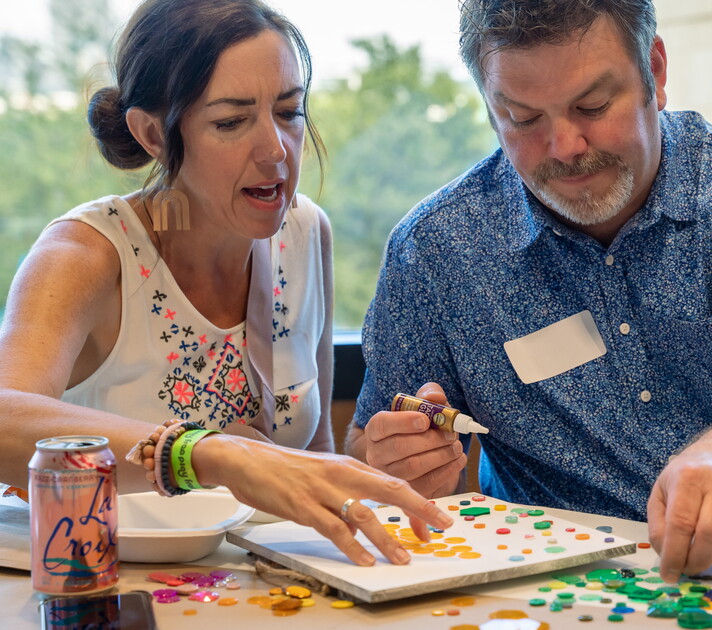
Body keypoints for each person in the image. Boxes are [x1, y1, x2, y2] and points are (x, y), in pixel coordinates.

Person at [349, 0, 712, 583]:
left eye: (593, 106)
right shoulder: (436, 250)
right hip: (553, 605)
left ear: (654, 70)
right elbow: (368, 455)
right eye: (523, 119)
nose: (565, 146)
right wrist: (400, 464)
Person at [0, 0, 451, 567]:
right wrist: (209, 454)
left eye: (289, 112)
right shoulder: (88, 253)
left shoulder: (306, 231)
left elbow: (311, 457)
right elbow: (3, 418)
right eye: (231, 122)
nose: (275, 151)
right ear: (153, 135)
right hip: (105, 595)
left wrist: (385, 473)